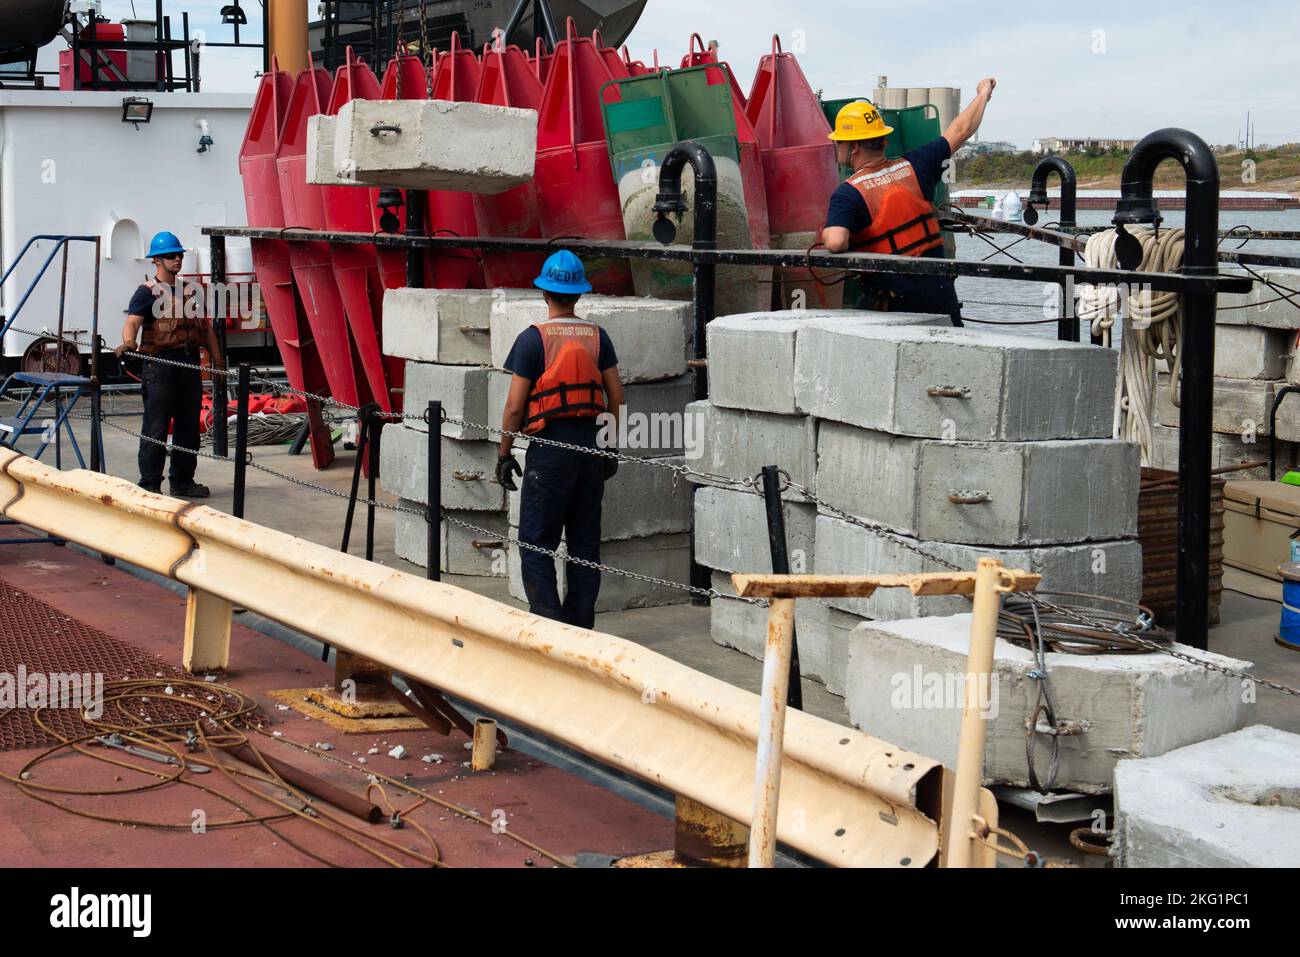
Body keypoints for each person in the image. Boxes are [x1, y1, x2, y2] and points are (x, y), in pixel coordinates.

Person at [495, 250, 624, 629]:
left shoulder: (533, 339)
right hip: (590, 448)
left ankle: (550, 630)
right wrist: (610, 446)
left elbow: (514, 407)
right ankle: (581, 631)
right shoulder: (598, 336)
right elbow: (617, 396)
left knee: (536, 545)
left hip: (549, 451)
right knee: (584, 549)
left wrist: (504, 454)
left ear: (544, 293)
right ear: (579, 295)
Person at [820, 79, 997, 326]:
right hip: (940, 297)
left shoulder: (848, 194)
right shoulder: (916, 165)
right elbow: (960, 130)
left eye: (839, 141)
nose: (835, 145)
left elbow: (836, 241)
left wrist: (829, 233)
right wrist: (983, 94)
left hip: (894, 307)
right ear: (882, 140)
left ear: (854, 147)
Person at [117, 230, 224, 497]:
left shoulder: (191, 292)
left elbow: (207, 329)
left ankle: (183, 481)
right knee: (156, 426)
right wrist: (129, 343)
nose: (177, 259)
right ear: (156, 261)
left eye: (179, 255)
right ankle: (150, 485)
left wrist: (219, 363)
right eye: (170, 256)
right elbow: (132, 322)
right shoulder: (146, 294)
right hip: (159, 366)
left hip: (188, 365)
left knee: (188, 426)